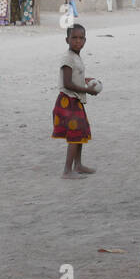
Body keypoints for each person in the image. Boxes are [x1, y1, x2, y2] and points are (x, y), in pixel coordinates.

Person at [53, 23, 101, 178]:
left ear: (85, 41)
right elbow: (67, 83)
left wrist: (86, 79)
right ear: (67, 40)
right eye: (74, 38)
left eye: (81, 38)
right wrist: (88, 90)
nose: (77, 41)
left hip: (76, 100)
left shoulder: (76, 56)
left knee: (80, 132)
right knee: (75, 135)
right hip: (68, 101)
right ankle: (67, 170)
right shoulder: (67, 58)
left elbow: (76, 76)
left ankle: (78, 165)